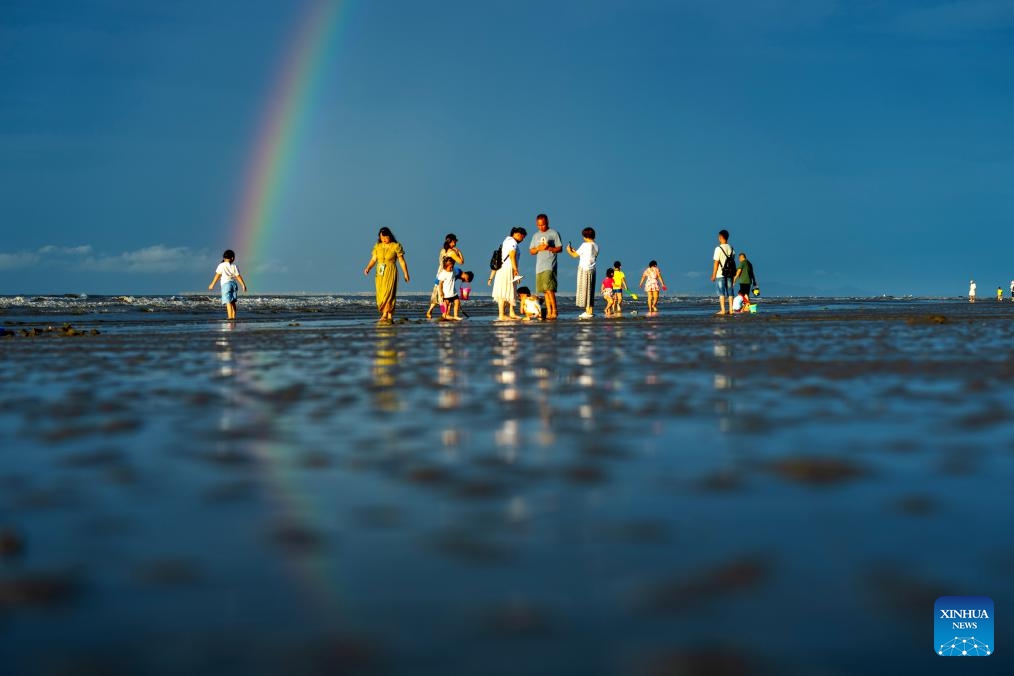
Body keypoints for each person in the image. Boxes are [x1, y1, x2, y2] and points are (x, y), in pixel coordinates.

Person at [364, 227, 410, 321]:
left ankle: (385, 314)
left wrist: (406, 273)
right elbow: (373, 259)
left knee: (388, 293)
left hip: (390, 271)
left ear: (390, 236)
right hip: (380, 273)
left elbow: (401, 261)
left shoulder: (396, 246)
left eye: (385, 237)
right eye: (382, 237)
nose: (384, 239)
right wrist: (368, 268)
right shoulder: (378, 246)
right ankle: (388, 314)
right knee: (381, 294)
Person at [528, 214, 562, 319]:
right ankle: (549, 312)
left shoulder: (554, 233)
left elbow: (559, 249)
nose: (541, 227)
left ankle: (555, 311)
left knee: (549, 289)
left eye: (543, 225)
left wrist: (549, 248)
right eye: (539, 225)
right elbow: (531, 251)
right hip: (539, 266)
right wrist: (538, 248)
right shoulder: (535, 235)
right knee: (545, 291)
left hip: (549, 265)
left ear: (547, 222)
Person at [490, 226, 527, 320]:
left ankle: (511, 312)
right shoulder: (512, 242)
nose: (522, 239)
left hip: (507, 269)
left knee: (511, 291)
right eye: (523, 237)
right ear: (518, 234)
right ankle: (502, 315)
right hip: (507, 269)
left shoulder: (507, 241)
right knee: (504, 291)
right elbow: (512, 254)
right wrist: (516, 270)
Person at [426, 234, 464, 319]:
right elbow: (461, 262)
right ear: (452, 241)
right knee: (446, 295)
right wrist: (459, 252)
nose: (456, 242)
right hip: (447, 274)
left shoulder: (443, 250)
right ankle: (444, 313)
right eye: (455, 241)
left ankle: (430, 311)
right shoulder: (452, 252)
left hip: (439, 272)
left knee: (437, 293)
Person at [566, 227, 599, 319]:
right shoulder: (596, 245)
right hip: (592, 270)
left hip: (584, 269)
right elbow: (586, 254)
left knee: (584, 290)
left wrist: (569, 250)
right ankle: (590, 311)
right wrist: (574, 251)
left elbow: (574, 255)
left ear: (585, 236)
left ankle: (588, 312)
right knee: (590, 291)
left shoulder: (585, 245)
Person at [207, 249, 248, 320]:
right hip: (233, 284)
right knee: (233, 302)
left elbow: (217, 275)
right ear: (232, 258)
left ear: (224, 258)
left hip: (226, 284)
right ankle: (233, 316)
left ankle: (230, 317)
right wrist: (243, 285)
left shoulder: (221, 265)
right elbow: (238, 276)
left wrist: (212, 284)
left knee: (228, 302)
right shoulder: (234, 266)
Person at [710, 229, 735, 315]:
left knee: (721, 292)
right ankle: (731, 309)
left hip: (720, 273)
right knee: (730, 291)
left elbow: (716, 262)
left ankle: (723, 310)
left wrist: (713, 274)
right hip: (730, 273)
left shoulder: (718, 248)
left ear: (721, 237)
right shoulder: (731, 248)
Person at [436, 256, 463, 321]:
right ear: (445, 267)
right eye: (450, 267)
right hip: (446, 294)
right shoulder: (443, 273)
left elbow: (454, 262)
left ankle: (455, 315)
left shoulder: (453, 271)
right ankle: (444, 315)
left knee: (457, 302)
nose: (451, 268)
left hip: (453, 292)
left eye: (452, 266)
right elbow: (440, 284)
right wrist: (441, 292)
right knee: (445, 306)